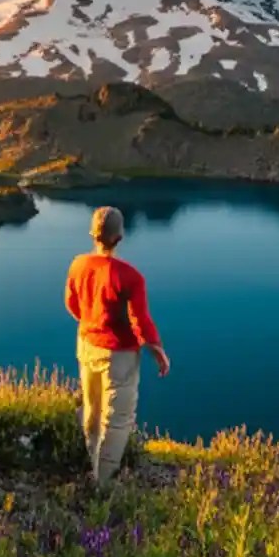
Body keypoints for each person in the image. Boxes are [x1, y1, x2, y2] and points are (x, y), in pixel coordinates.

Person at [64, 206, 170, 486]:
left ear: (93, 234)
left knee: (91, 407)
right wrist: (156, 348)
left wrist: (90, 323)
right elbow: (140, 320)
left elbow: (72, 304)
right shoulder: (129, 276)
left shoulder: (78, 264)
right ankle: (102, 482)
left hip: (86, 344)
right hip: (118, 355)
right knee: (117, 419)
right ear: (120, 236)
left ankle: (91, 462)